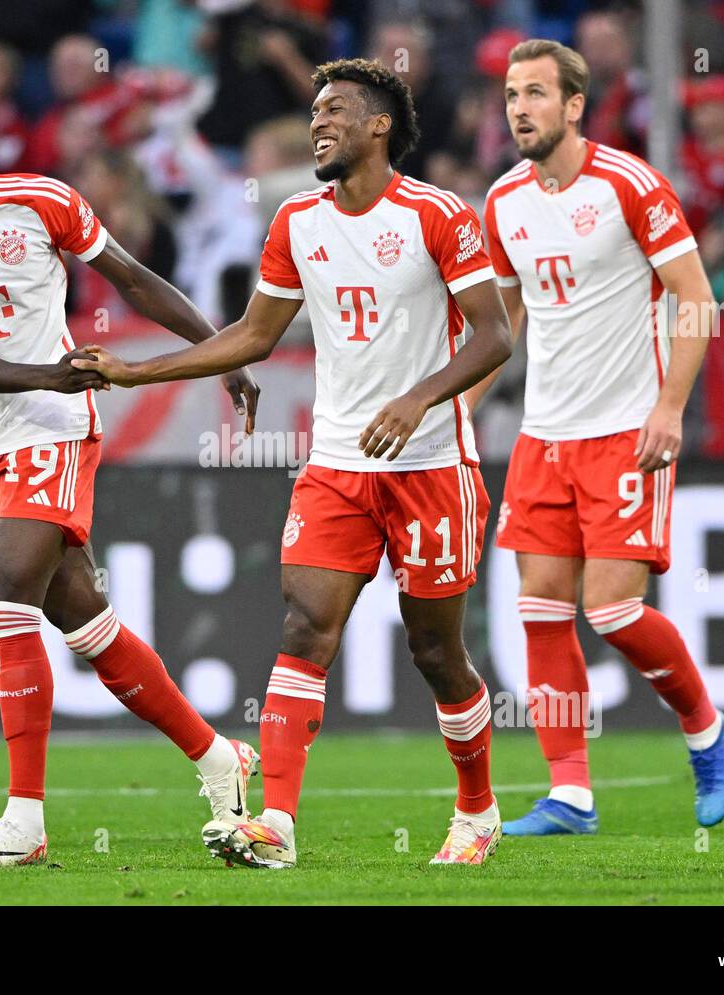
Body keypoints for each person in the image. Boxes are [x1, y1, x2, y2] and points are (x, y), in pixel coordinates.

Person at [75, 58, 514, 869]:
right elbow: (253, 335)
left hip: (430, 465)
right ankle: (275, 823)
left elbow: (495, 335)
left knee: (435, 652)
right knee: (305, 626)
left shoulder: (439, 216)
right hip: (338, 463)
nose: (318, 123)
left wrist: (418, 399)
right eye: (314, 112)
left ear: (380, 126)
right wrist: (139, 371)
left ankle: (478, 809)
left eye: (336, 110)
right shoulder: (295, 221)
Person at [0, 86, 261, 868]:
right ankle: (218, 758)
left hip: (56, 430)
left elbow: (136, 278)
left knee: (7, 595)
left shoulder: (39, 200)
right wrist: (48, 371)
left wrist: (224, 351)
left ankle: (26, 818)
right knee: (84, 621)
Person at [476, 39, 724, 837]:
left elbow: (696, 299)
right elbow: (505, 321)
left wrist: (670, 409)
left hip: (626, 427)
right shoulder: (504, 201)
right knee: (541, 610)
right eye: (512, 95)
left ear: (576, 105)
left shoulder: (631, 184)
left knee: (614, 611)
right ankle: (571, 796)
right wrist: (459, 404)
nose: (520, 108)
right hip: (544, 435)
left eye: (536, 94)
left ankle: (705, 726)